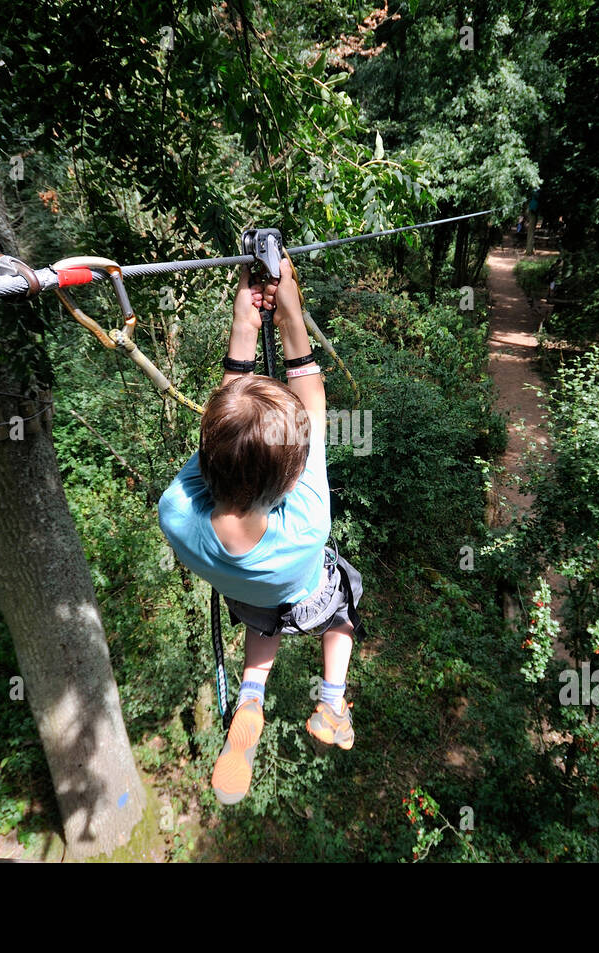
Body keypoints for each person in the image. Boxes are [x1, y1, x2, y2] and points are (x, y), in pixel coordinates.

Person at [158, 259, 365, 805]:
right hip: (305, 594)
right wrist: (290, 312)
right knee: (344, 604)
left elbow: (225, 431)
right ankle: (332, 702)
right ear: (292, 476)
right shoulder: (306, 522)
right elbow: (311, 394)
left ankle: (252, 696)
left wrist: (244, 328)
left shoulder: (175, 513)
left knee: (264, 620)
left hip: (248, 597)